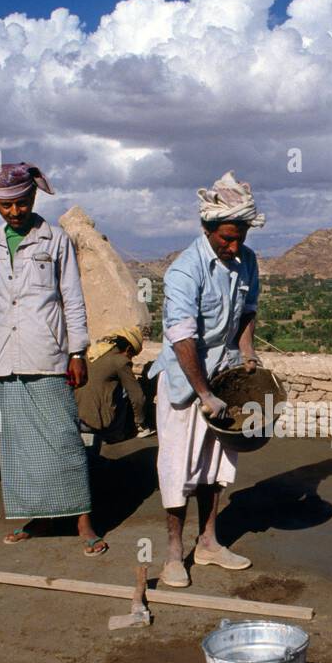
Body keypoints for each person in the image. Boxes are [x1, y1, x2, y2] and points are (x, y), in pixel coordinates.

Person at [0, 161, 108, 555]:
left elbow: (72, 299)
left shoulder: (55, 239)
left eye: (20, 203)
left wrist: (77, 352)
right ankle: (39, 516)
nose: (14, 212)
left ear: (32, 197)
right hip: (5, 356)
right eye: (5, 206)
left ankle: (83, 520)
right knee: (19, 445)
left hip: (47, 353)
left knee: (63, 438)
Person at [145, 171, 264, 587]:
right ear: (207, 228)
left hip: (225, 375)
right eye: (225, 239)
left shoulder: (246, 260)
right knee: (179, 469)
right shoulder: (184, 272)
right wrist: (203, 392)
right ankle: (174, 555)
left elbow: (247, 311)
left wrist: (246, 352)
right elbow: (182, 339)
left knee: (216, 465)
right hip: (185, 381)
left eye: (240, 237)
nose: (233, 247)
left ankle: (209, 542)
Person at [75, 326, 154, 456]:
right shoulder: (121, 361)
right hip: (96, 423)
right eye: (132, 355)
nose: (130, 359)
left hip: (77, 417)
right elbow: (138, 397)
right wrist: (141, 423)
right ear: (128, 349)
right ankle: (116, 435)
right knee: (125, 391)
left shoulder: (91, 352)